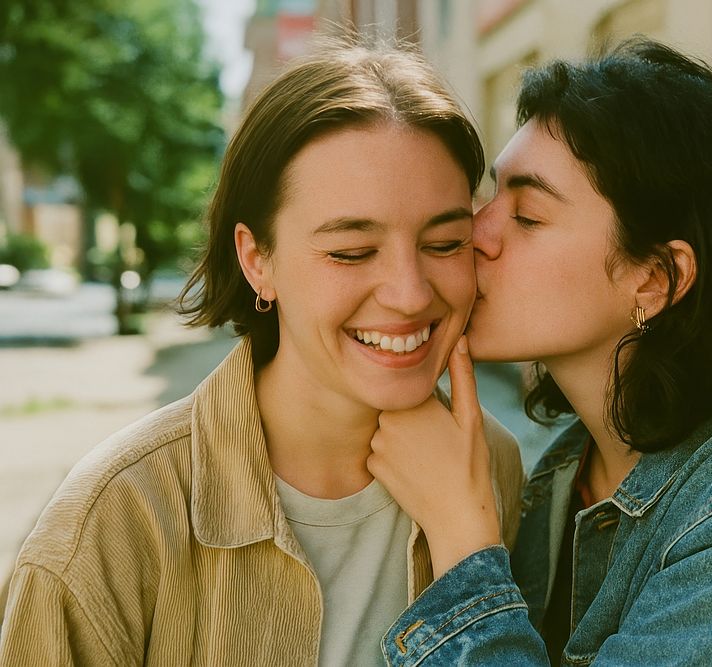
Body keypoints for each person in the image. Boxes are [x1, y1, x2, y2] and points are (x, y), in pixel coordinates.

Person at [368, 37, 712, 665]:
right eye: (490, 197)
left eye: (525, 216)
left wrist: (461, 538)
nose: (475, 233)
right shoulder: (565, 472)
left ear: (656, 279)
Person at [0, 40, 523, 665]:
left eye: (445, 243)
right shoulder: (112, 519)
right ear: (256, 260)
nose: (410, 295)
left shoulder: (493, 465)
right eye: (350, 252)